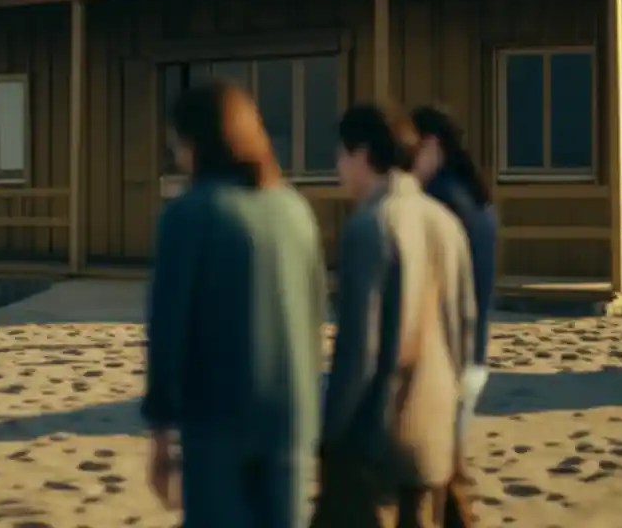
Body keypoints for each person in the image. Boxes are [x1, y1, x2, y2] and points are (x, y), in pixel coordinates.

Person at [142, 80, 328, 528]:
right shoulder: (294, 210)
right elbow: (315, 318)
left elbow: (168, 331)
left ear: (194, 143)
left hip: (217, 420)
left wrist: (161, 433)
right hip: (290, 417)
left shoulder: (189, 215)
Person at [314, 103, 477, 528]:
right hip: (434, 433)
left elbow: (360, 351)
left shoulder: (371, 225)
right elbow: (464, 331)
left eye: (341, 156)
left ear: (361, 153)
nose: (338, 169)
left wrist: (330, 436)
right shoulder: (446, 222)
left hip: (378, 440)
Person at [410, 106, 497, 424]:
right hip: (473, 350)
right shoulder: (477, 194)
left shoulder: (439, 197)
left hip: (444, 354)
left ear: (431, 145)